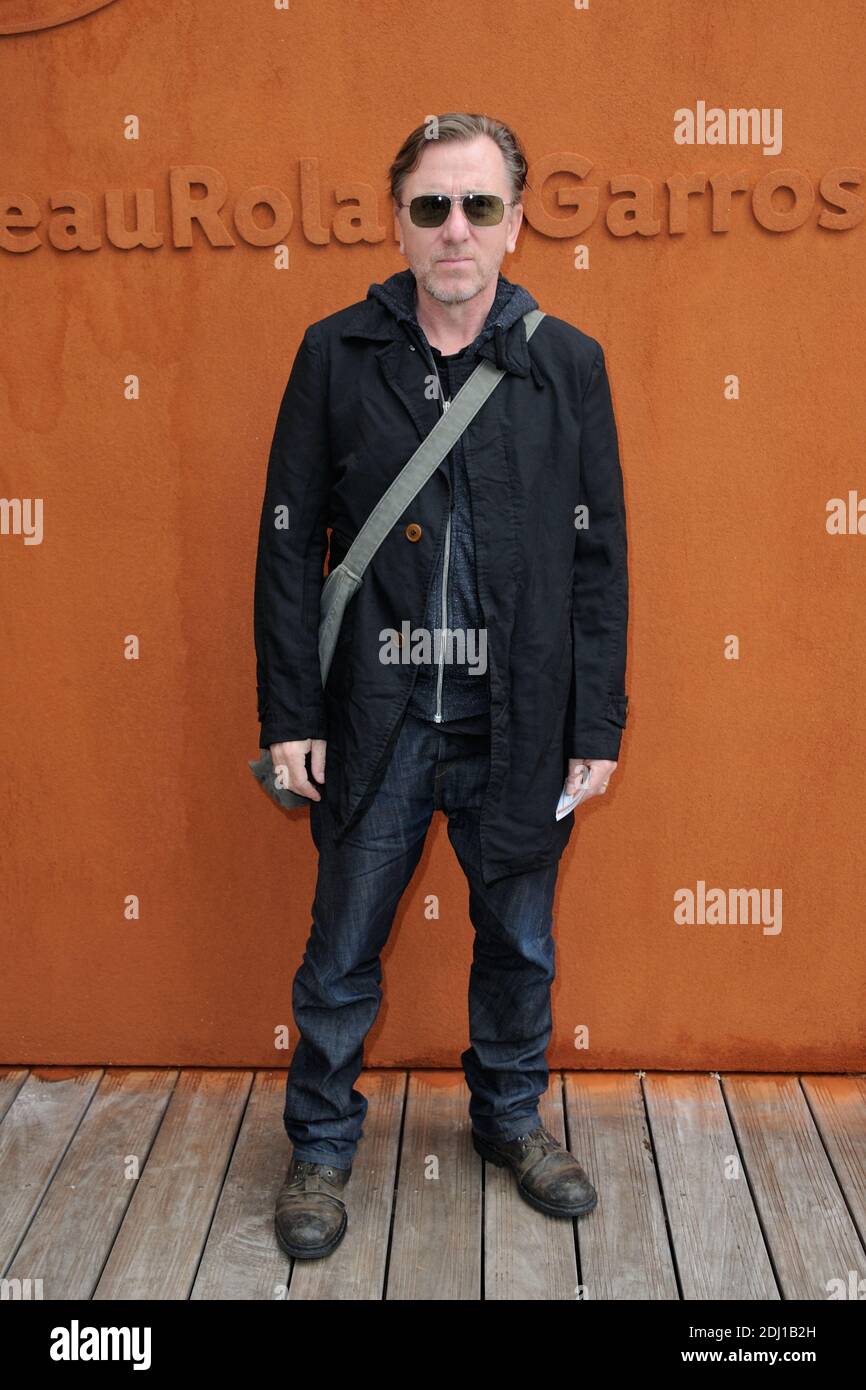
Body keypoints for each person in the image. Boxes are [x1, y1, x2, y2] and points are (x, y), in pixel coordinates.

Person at [253, 112, 630, 1261]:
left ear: (515, 222)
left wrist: (595, 721)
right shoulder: (334, 353)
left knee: (518, 942)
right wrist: (288, 719)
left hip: (515, 720)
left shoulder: (566, 362)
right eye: (431, 206)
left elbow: (597, 554)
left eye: (477, 205)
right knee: (340, 949)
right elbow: (285, 546)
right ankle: (320, 1145)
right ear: (399, 223)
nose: (454, 228)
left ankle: (510, 1119)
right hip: (377, 717)